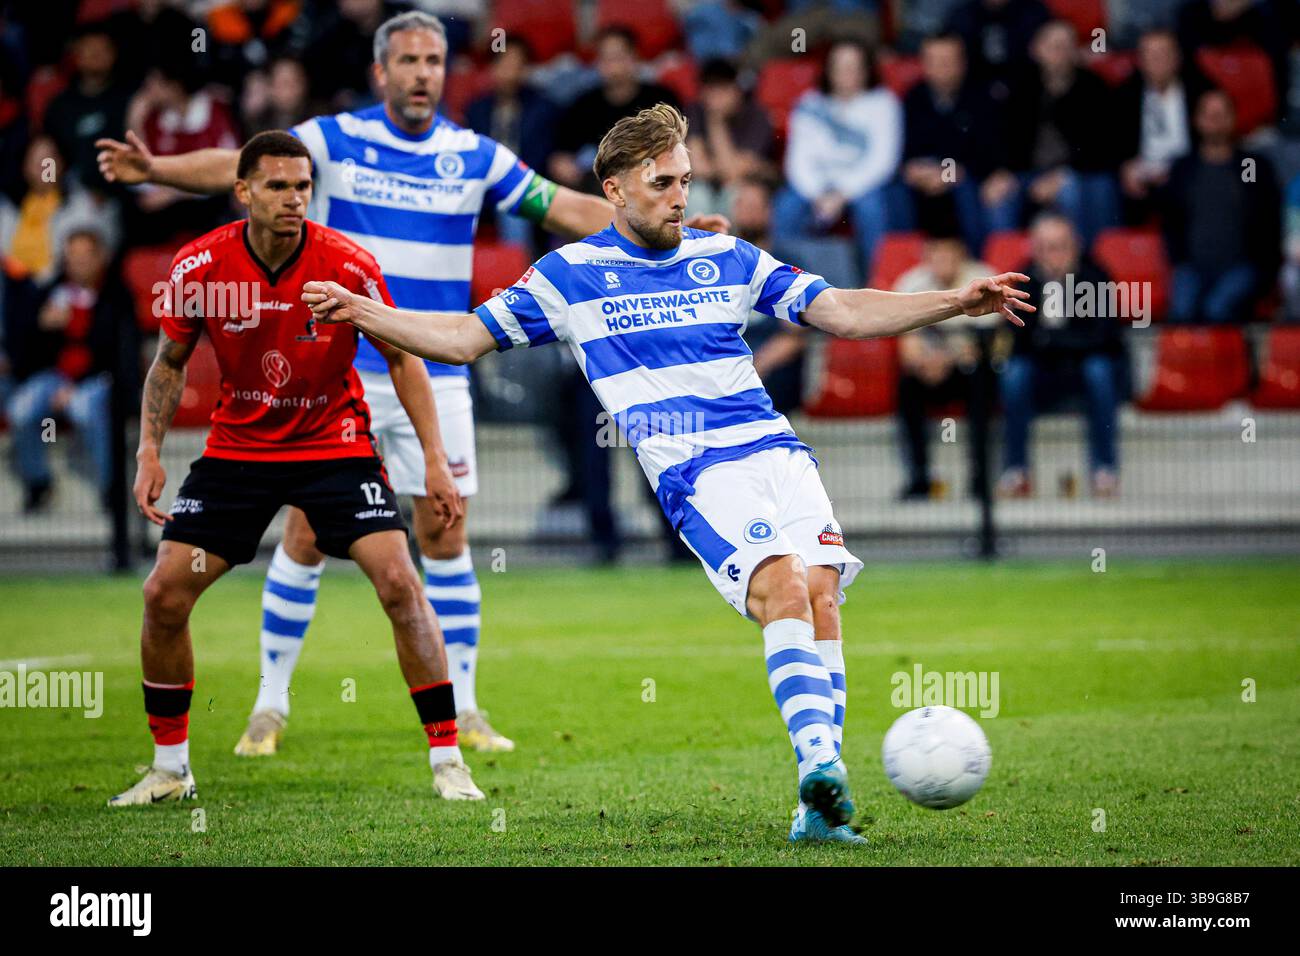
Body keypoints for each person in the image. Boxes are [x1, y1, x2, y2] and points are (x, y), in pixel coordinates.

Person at [299, 104, 1033, 843]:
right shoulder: (570, 276)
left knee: (822, 595)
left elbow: (840, 310)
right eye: (662, 183)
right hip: (696, 467)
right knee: (780, 582)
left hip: (778, 452)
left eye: (684, 180)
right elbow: (459, 339)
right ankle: (820, 765)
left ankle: (818, 805)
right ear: (615, 190)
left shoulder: (731, 258)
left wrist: (954, 303)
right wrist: (364, 310)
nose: (681, 196)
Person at [97, 10, 726, 758]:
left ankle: (465, 708)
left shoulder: (475, 155)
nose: (424, 72)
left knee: (446, 533)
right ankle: (269, 705)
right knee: (303, 536)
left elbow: (563, 208)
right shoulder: (334, 140)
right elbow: (243, 165)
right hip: (335, 375)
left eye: (434, 60)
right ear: (381, 73)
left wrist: (662, 224)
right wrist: (157, 169)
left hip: (432, 370)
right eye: (409, 60)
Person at [107, 130, 482, 807]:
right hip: (237, 455)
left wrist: (433, 459)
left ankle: (449, 760)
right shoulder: (200, 267)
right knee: (163, 595)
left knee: (401, 583)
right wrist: (148, 452)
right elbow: (168, 363)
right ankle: (169, 769)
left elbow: (403, 358)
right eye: (277, 186)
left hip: (334, 449)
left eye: (303, 186)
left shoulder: (346, 263)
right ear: (243, 190)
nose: (293, 199)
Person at [997, 213, 1125, 498]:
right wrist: (1063, 341)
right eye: (1045, 248)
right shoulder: (1022, 281)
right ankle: (1015, 470)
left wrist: (1048, 339)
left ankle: (1105, 468)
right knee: (1014, 374)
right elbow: (1017, 340)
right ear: (1034, 249)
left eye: (1060, 246)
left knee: (1099, 369)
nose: (1053, 256)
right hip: (1041, 374)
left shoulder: (1096, 277)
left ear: (1076, 245)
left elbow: (1104, 337)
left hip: (1083, 372)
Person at [4, 225, 127, 511]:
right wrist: (42, 329)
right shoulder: (51, 292)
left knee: (82, 409)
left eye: (85, 256)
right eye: (72, 256)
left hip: (99, 378)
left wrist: (75, 385)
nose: (78, 263)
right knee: (19, 408)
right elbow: (24, 356)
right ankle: (39, 482)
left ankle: (112, 487)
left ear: (100, 258)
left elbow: (117, 353)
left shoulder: (115, 294)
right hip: (56, 378)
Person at [773, 39, 904, 272]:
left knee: (872, 209)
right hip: (815, 187)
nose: (846, 74)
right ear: (829, 70)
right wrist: (819, 194)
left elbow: (883, 162)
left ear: (866, 70)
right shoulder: (809, 103)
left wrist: (842, 194)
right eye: (840, 67)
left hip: (862, 186)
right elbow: (798, 160)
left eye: (853, 67)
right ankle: (786, 286)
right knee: (785, 208)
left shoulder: (883, 103)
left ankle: (871, 285)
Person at [893, 234, 998, 500]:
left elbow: (984, 346)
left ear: (961, 255)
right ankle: (919, 477)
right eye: (936, 256)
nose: (943, 263)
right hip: (927, 370)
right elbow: (908, 348)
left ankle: (980, 478)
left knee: (981, 381)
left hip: (968, 369)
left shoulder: (984, 279)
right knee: (906, 387)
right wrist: (926, 363)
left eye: (949, 256)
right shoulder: (911, 284)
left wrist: (946, 359)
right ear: (927, 258)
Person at [1162, 88, 1280, 325]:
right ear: (1196, 120)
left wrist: (1263, 269)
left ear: (1233, 118)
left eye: (1221, 114)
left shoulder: (1251, 165)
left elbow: (1269, 220)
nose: (1215, 121)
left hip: (1241, 268)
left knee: (1217, 310)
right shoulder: (1183, 168)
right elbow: (1171, 221)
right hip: (1192, 267)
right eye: (1209, 114)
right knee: (1181, 312)